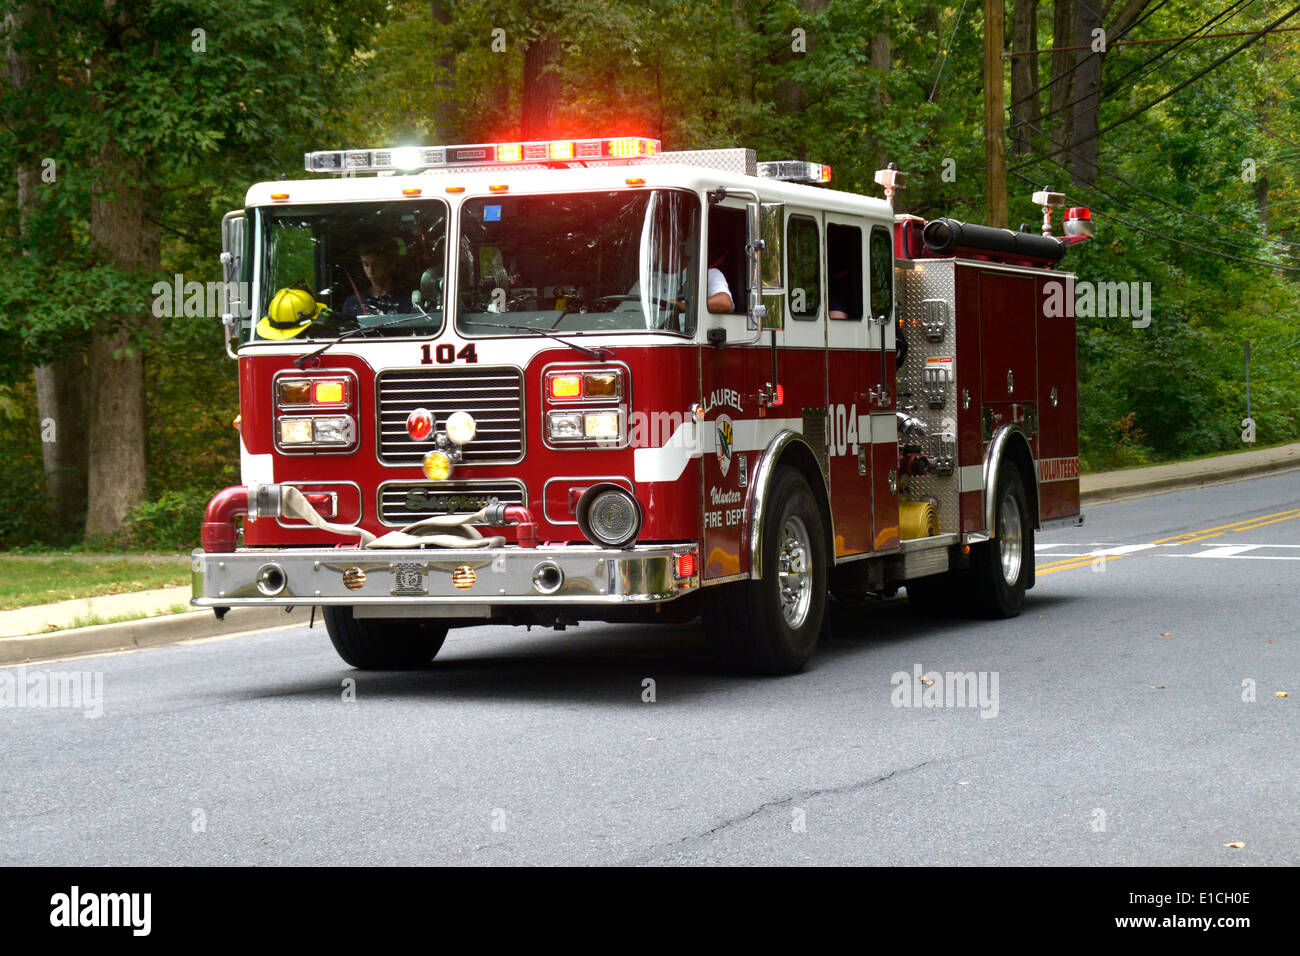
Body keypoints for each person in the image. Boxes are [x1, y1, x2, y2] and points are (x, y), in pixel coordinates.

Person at [340, 236, 416, 318]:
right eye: (366, 265)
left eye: (376, 265)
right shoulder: (353, 303)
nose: (371, 271)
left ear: (390, 264)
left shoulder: (408, 301)